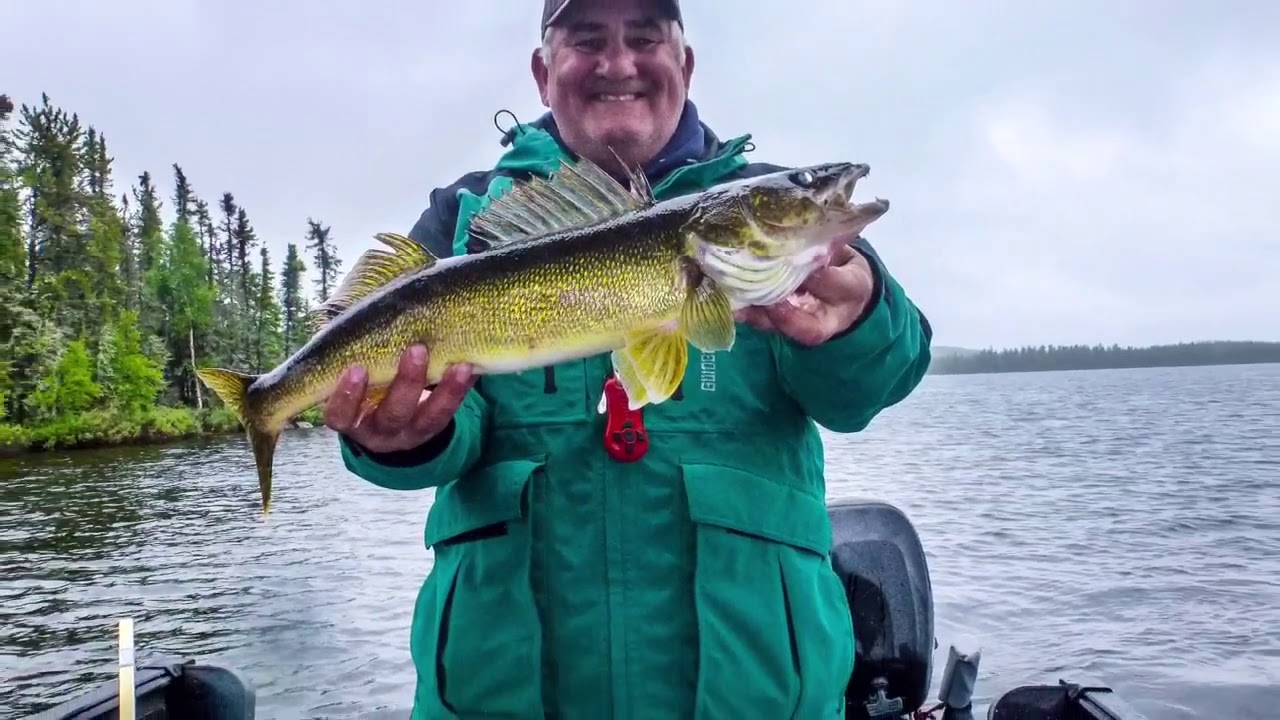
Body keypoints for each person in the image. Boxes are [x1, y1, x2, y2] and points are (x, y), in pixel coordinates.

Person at [324, 0, 933, 717]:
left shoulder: (772, 223)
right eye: (588, 40)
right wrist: (399, 439)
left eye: (645, 38)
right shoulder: (467, 222)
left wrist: (858, 319)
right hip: (506, 693)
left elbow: (869, 388)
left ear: (685, 63)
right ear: (542, 73)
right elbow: (440, 430)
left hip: (753, 690)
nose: (619, 64)